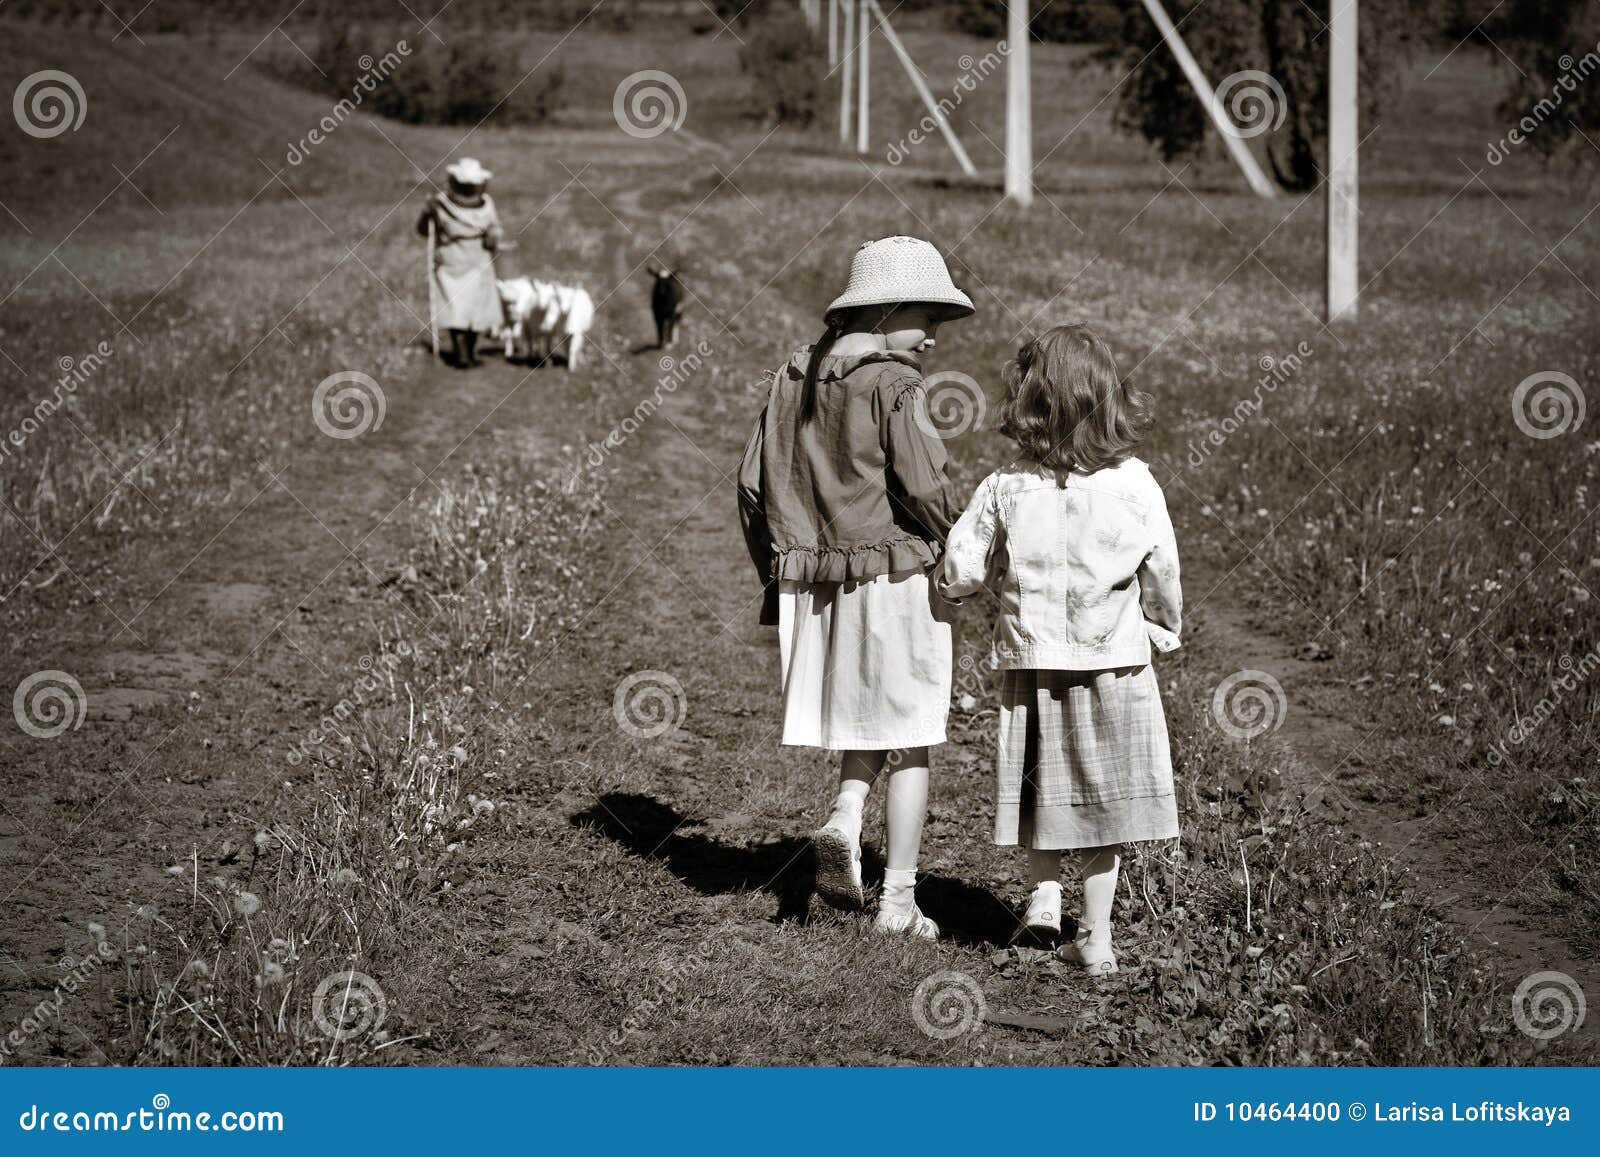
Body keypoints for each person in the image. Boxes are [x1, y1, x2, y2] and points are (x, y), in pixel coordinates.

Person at [737, 236, 974, 938]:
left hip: (818, 583)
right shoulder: (893, 383)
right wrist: (962, 548)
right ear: (891, 306)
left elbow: (753, 487)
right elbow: (926, 484)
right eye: (929, 317)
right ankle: (898, 900)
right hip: (893, 579)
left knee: (871, 714)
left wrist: (778, 574)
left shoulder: (791, 377)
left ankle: (844, 816)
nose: (933, 336)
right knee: (915, 736)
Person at [939, 323, 1182, 975]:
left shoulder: (1008, 484)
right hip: (1115, 661)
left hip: (1035, 657)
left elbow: (963, 563)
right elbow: (1162, 566)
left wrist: (956, 585)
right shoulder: (1135, 482)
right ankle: (1096, 936)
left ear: (1030, 404)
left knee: (1038, 781)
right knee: (1106, 798)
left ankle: (1044, 902)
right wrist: (1163, 626)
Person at [417, 158, 503, 369]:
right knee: (476, 308)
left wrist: (427, 213)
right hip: (478, 259)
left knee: (455, 305)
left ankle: (461, 354)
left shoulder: (439, 204)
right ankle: (469, 354)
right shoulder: (487, 206)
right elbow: (493, 236)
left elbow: (421, 229)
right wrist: (494, 244)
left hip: (451, 257)